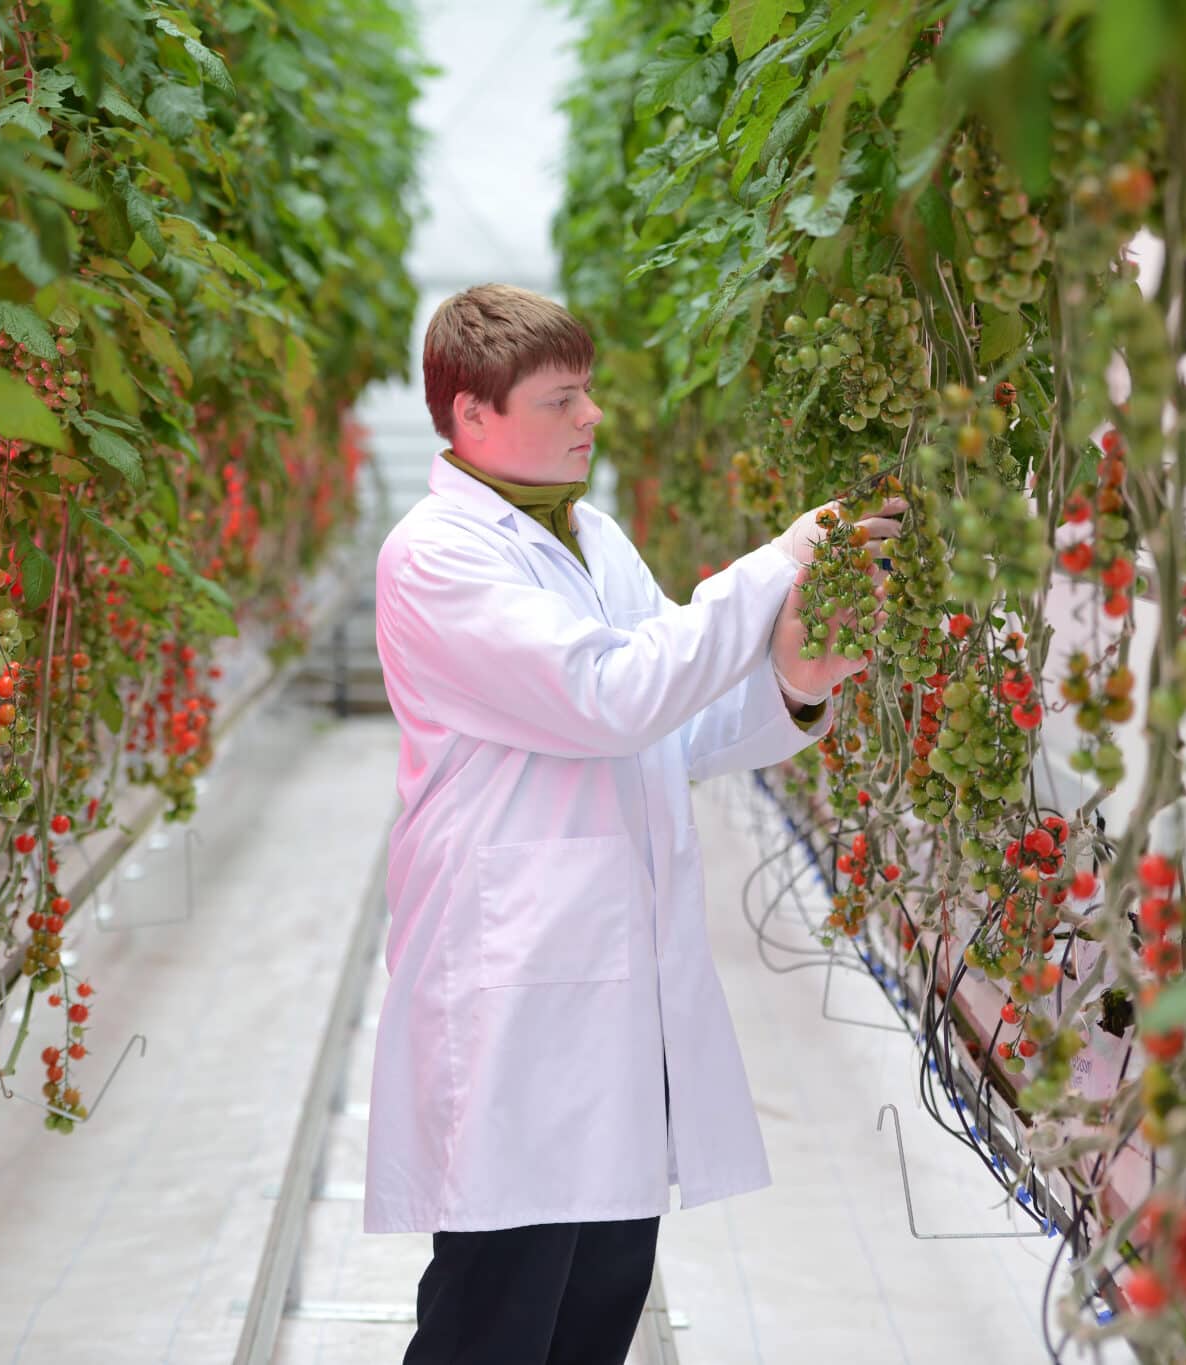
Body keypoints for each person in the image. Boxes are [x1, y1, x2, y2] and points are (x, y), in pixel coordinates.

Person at [366, 283, 903, 1364]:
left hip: (608, 998)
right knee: (495, 1320)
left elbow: (671, 720)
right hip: (514, 993)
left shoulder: (589, 535)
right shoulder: (437, 557)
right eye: (560, 398)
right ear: (471, 416)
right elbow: (607, 697)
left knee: (595, 1303)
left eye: (587, 393)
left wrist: (794, 682)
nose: (589, 418)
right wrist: (776, 564)